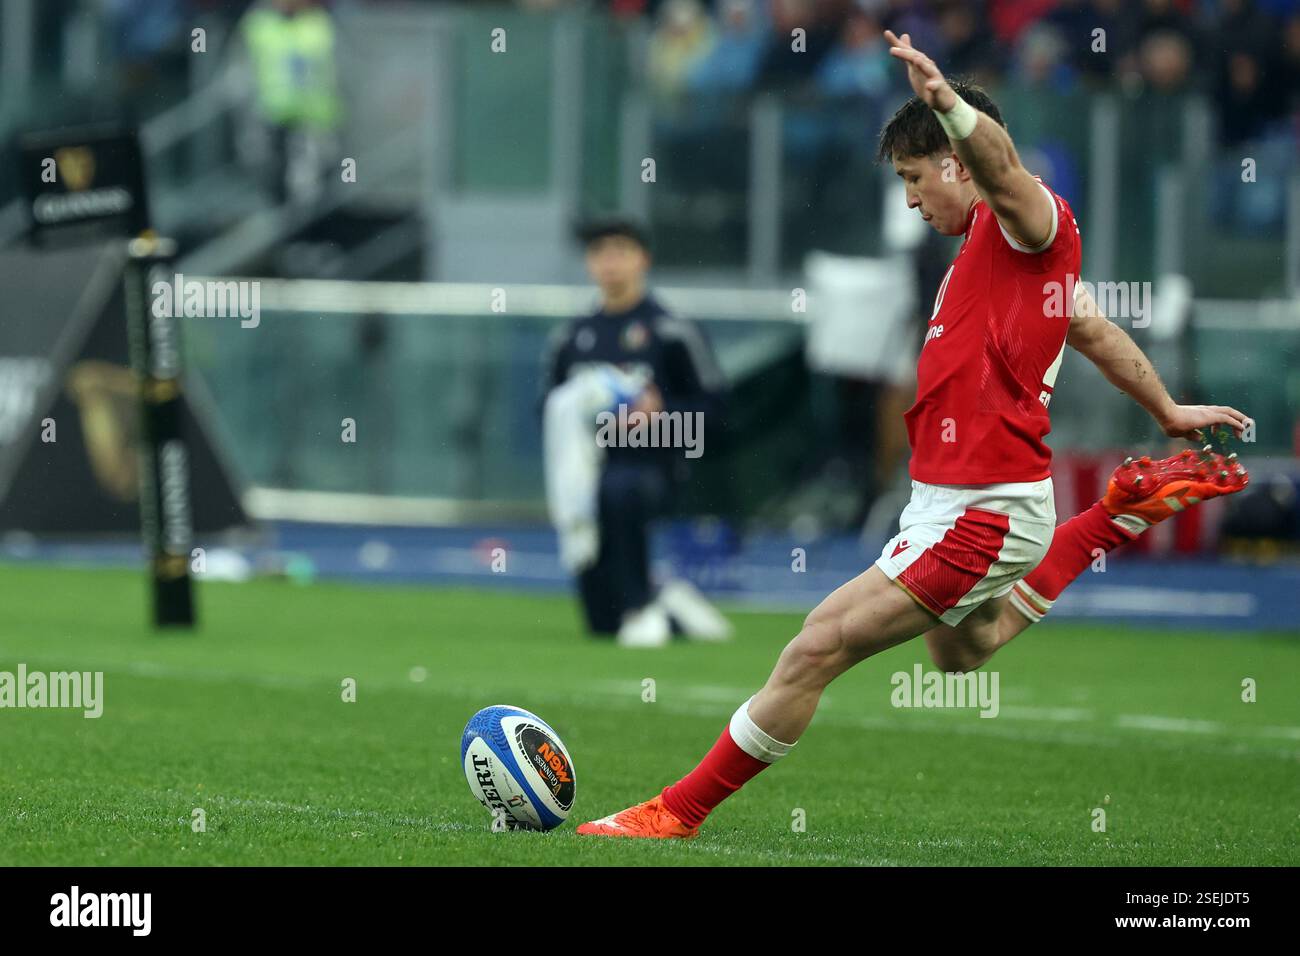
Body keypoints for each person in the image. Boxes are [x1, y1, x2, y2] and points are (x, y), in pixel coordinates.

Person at [575, 31, 1250, 838]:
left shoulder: (1029, 219)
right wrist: (1168, 411)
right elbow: (1095, 330)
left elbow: (1002, 167)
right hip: (964, 503)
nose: (909, 199)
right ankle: (1116, 513)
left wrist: (951, 106)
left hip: (983, 509)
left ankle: (675, 812)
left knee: (815, 647)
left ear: (956, 162)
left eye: (913, 177)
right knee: (965, 652)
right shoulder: (994, 256)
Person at [542, 218, 730, 648]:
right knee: (601, 626)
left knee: (621, 488)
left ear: (642, 258)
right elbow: (549, 411)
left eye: (620, 251)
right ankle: (665, 601)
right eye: (600, 253)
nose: (610, 263)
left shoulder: (672, 330)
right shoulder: (572, 337)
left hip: (653, 468)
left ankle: (641, 606)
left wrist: (661, 415)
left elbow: (717, 411)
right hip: (585, 476)